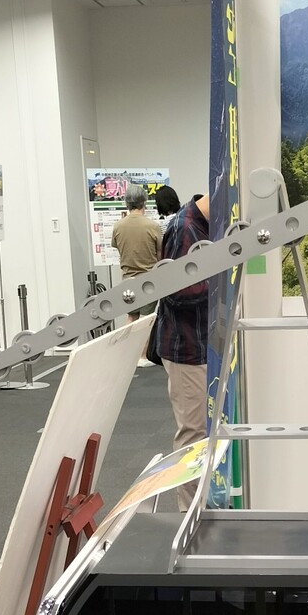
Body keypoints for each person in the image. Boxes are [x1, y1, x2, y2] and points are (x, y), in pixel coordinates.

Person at [155, 193, 210, 510]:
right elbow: (175, 291)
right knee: (193, 434)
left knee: (205, 432)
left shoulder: (204, 227)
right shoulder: (184, 227)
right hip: (186, 348)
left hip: (204, 344)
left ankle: (203, 509)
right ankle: (188, 514)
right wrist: (221, 274)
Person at [111, 183, 162, 367]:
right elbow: (160, 254)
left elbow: (116, 247)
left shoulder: (118, 226)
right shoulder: (153, 226)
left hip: (127, 280)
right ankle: (141, 356)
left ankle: (124, 354)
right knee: (147, 319)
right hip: (148, 279)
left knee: (131, 317)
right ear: (144, 201)